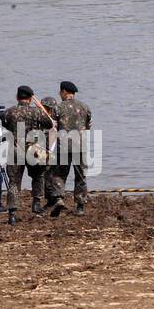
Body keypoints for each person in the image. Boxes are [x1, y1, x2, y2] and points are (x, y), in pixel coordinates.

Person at [2, 85, 55, 225]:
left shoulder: (9, 112)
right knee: (38, 175)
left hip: (15, 149)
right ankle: (36, 203)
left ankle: (12, 213)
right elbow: (50, 124)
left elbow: (5, 124)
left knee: (14, 182)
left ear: (17, 97)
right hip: (33, 149)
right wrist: (40, 107)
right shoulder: (36, 112)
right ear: (31, 99)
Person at [50, 81, 92, 215]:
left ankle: (59, 198)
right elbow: (88, 126)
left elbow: (53, 126)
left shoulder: (58, 108)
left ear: (64, 92)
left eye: (60, 92)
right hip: (80, 145)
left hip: (63, 145)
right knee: (80, 175)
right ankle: (80, 206)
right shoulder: (85, 107)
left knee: (59, 174)